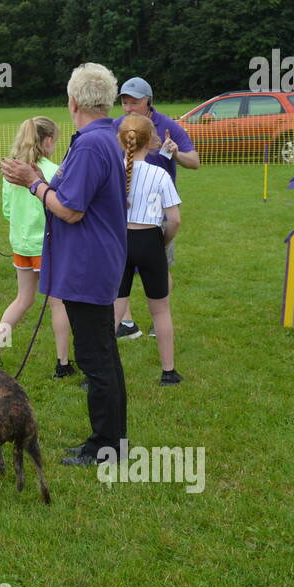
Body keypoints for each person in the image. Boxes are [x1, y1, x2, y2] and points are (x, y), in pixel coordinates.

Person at [0, 62, 128, 466]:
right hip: (96, 260)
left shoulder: (90, 144)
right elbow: (73, 194)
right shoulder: (103, 137)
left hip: (87, 265)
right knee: (104, 354)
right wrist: (41, 177)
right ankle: (111, 440)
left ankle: (105, 446)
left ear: (73, 102)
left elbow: (70, 209)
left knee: (95, 359)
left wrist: (32, 183)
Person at [0, 116, 74, 378]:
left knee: (23, 300)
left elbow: (8, 212)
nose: (55, 145)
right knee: (58, 304)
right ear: (46, 141)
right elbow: (61, 209)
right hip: (47, 246)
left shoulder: (11, 171)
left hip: (21, 244)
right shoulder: (56, 170)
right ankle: (62, 363)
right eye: (54, 140)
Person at [112, 76, 198, 340]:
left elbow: (194, 161)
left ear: (148, 101)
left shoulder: (168, 126)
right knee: (119, 274)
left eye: (134, 102)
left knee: (161, 269)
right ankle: (125, 324)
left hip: (158, 217)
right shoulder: (118, 125)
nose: (128, 108)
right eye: (125, 102)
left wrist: (175, 152)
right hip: (124, 215)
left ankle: (158, 321)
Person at [114, 114, 182, 385]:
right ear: (152, 140)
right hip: (150, 240)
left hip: (119, 243)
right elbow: (174, 220)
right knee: (161, 310)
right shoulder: (160, 173)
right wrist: (161, 242)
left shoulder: (113, 171)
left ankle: (100, 374)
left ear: (120, 140)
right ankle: (168, 372)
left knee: (112, 311)